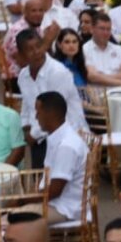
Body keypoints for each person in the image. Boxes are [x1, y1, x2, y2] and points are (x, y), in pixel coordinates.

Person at [13, 28, 87, 138]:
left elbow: (55, 115)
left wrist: (33, 135)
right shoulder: (23, 76)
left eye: (38, 46)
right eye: (30, 49)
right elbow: (27, 106)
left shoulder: (58, 72)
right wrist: (25, 127)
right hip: (39, 134)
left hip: (68, 134)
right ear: (21, 55)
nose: (36, 52)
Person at [35, 91, 88, 224]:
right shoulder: (58, 137)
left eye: (38, 112)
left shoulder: (67, 145)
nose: (36, 117)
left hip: (65, 208)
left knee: (9, 220)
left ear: (50, 114)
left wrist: (22, 200)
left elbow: (54, 191)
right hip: (58, 203)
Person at [82, 12, 121, 87]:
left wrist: (100, 77)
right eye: (102, 29)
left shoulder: (119, 49)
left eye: (108, 29)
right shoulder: (85, 49)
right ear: (92, 29)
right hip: (97, 94)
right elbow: (92, 77)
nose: (106, 32)